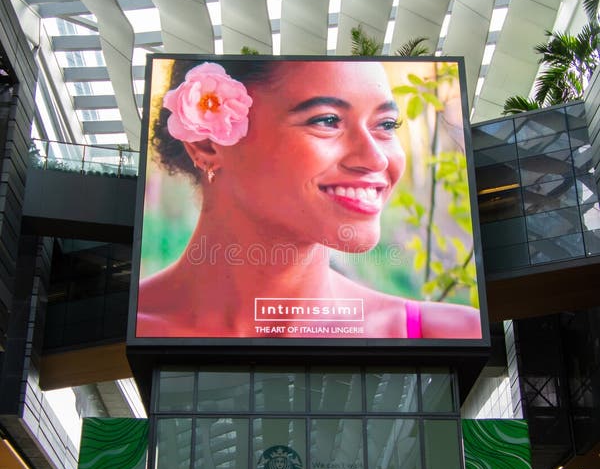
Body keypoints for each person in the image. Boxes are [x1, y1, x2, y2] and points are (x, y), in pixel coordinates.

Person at [137, 58, 481, 339]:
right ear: (207, 144)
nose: (376, 159)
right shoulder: (122, 327)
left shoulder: (445, 333)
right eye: (327, 120)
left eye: (387, 125)